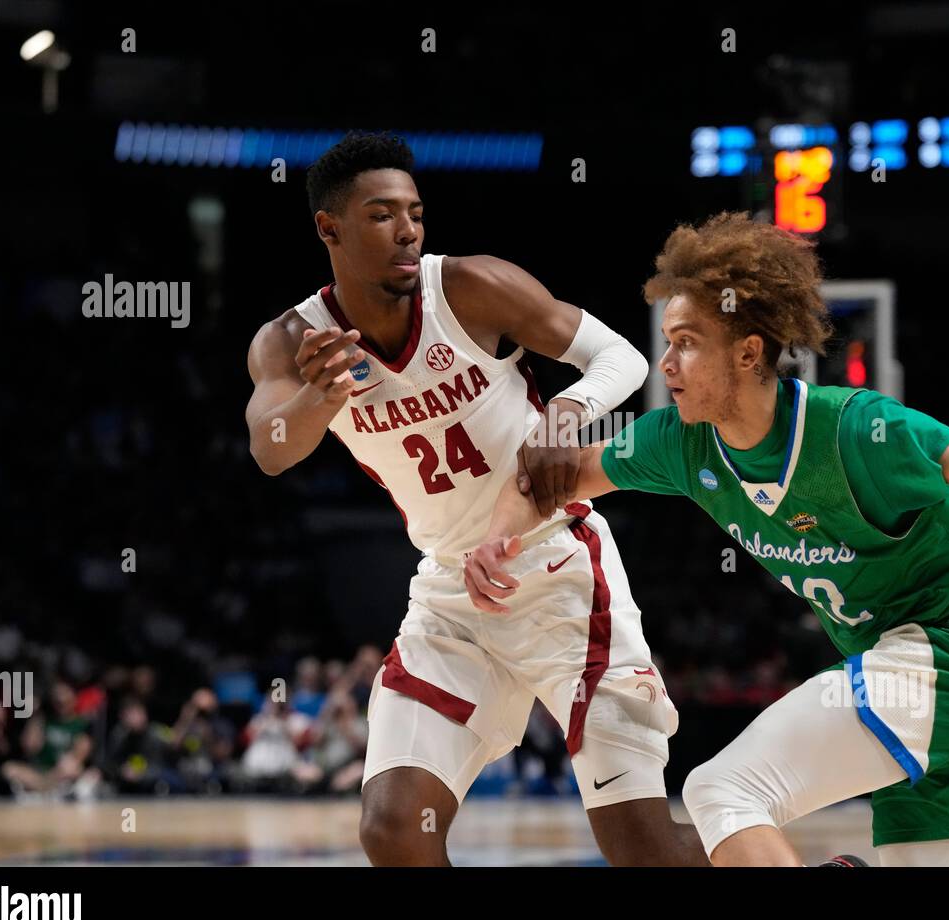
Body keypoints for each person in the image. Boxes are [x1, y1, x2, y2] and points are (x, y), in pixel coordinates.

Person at [465, 211, 949, 866]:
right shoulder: (682, 445)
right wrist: (496, 541)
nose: (667, 364)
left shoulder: (862, 432)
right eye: (667, 343)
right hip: (923, 682)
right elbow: (553, 482)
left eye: (688, 341)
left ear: (749, 352)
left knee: (722, 788)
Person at [245, 132, 705, 865]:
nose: (407, 230)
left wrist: (563, 413)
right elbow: (271, 447)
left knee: (641, 846)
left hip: (558, 568)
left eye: (416, 213)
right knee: (392, 829)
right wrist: (318, 394)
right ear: (328, 228)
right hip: (452, 594)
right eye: (381, 214)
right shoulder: (291, 341)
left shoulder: (467, 285)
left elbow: (621, 354)